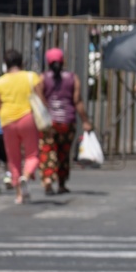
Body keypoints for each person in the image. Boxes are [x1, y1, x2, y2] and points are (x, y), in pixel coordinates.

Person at [0, 51, 41, 206]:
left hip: (7, 120)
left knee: (13, 159)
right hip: (27, 118)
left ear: (5, 64)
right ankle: (25, 176)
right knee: (32, 154)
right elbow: (41, 99)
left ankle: (19, 194)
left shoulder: (0, 81)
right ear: (21, 62)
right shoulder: (31, 77)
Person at [37, 47, 87, 196]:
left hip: (49, 122)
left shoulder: (42, 78)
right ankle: (61, 183)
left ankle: (47, 180)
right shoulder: (73, 78)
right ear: (63, 61)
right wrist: (85, 120)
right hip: (68, 122)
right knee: (63, 153)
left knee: (47, 150)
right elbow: (77, 101)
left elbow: (40, 100)